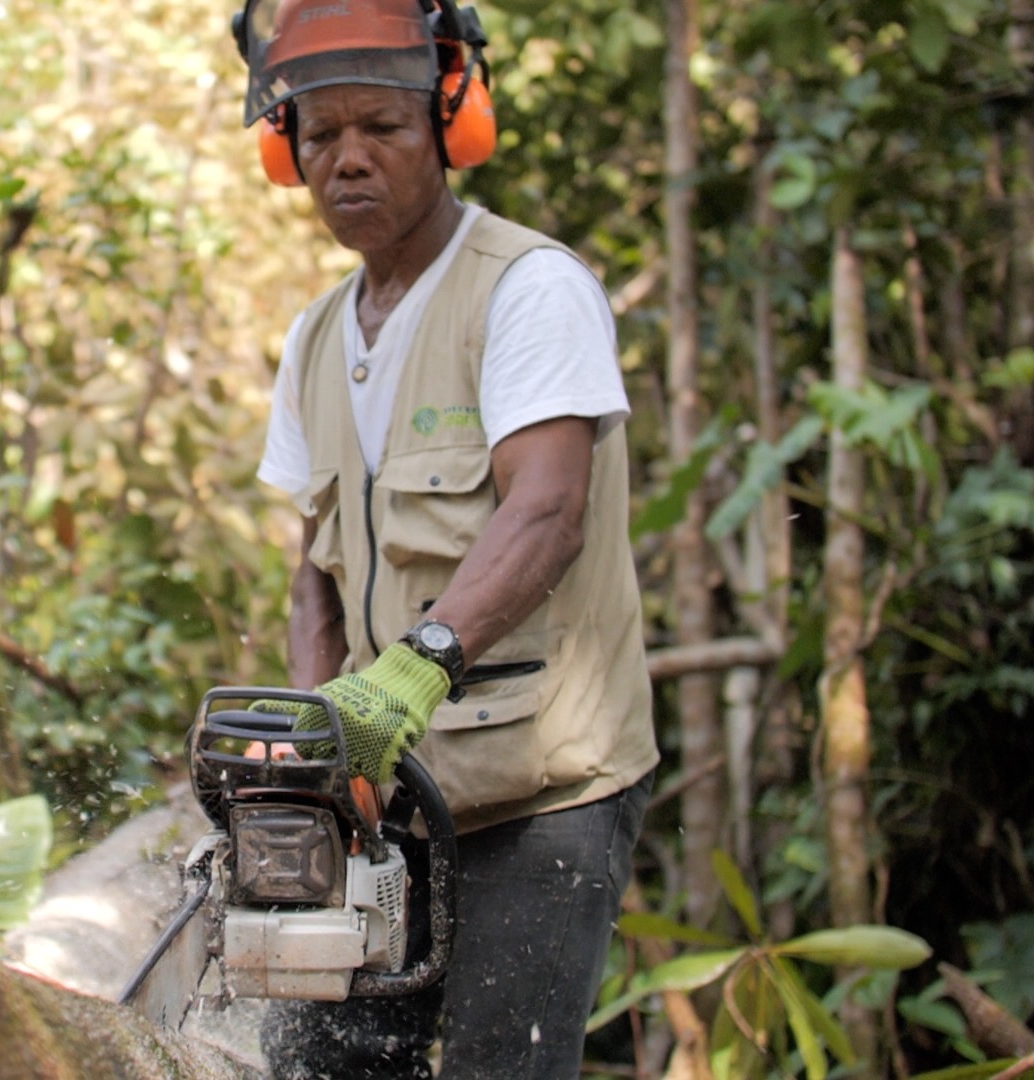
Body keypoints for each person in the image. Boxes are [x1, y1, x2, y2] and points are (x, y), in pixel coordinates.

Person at [230, 0, 661, 1075]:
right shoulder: (316, 338)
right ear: (288, 151)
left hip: (542, 792)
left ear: (447, 123)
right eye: (321, 134)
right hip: (393, 798)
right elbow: (316, 576)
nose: (349, 159)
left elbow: (548, 511)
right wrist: (320, 743)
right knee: (320, 1058)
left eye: (381, 125)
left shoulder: (528, 289)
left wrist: (416, 670)